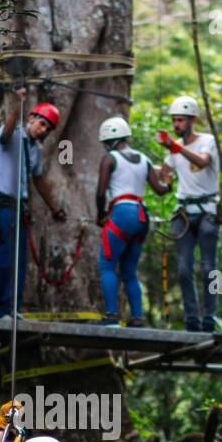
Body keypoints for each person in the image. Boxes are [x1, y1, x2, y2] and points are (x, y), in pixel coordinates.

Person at [0, 87, 68, 323]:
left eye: (47, 128)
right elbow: (7, 129)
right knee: (0, 259)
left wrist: (54, 207)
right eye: (41, 123)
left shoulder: (35, 150)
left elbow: (39, 180)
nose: (42, 129)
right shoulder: (11, 136)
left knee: (18, 263)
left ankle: (8, 310)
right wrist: (17, 102)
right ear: (31, 118)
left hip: (19, 210)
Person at [95, 116, 170, 327]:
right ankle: (137, 318)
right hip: (142, 216)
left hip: (122, 213)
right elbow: (160, 190)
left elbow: (101, 192)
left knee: (106, 266)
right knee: (129, 270)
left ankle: (111, 316)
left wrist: (100, 215)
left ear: (109, 139)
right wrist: (170, 185)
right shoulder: (144, 159)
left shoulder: (110, 158)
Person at [157, 95, 220, 333]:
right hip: (183, 213)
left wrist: (175, 147)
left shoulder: (207, 141)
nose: (176, 125)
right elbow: (164, 174)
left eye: (181, 120)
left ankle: (210, 317)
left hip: (207, 212)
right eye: (174, 121)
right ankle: (192, 320)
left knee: (210, 269)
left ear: (193, 120)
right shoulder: (174, 151)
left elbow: (202, 162)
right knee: (184, 270)